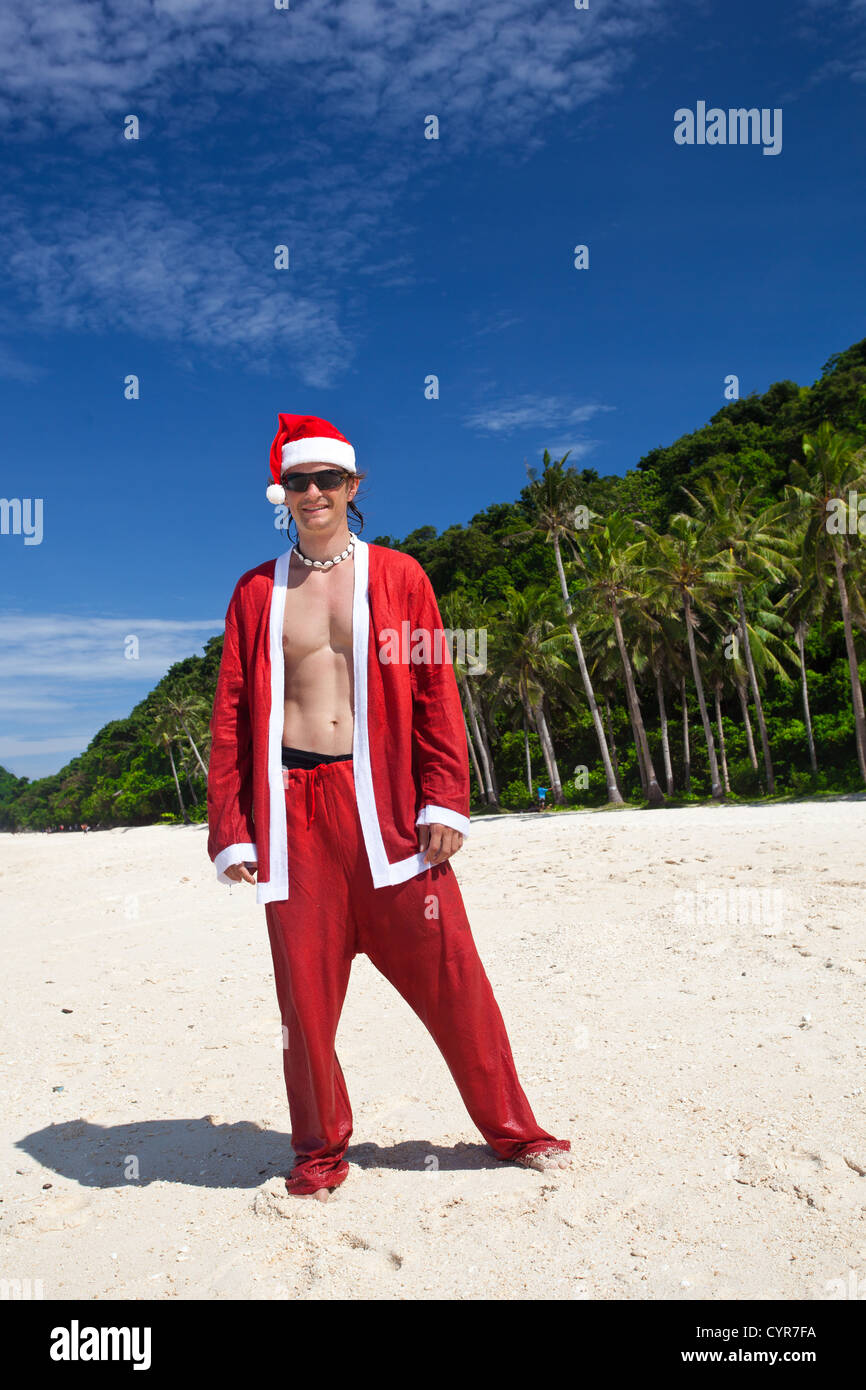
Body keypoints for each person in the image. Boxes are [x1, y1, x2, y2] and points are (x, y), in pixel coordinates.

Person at [207, 413, 571, 1200]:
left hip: (391, 813)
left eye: (327, 481)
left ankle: (516, 1132)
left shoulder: (401, 577)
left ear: (353, 487)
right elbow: (233, 710)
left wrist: (446, 798)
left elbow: (437, 691)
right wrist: (232, 831)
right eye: (298, 482)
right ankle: (318, 1151)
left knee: (456, 978)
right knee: (304, 1004)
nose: (313, 494)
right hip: (294, 814)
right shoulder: (256, 590)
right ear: (285, 493)